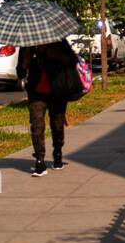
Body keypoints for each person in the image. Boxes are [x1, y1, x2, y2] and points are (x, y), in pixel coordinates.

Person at [16, 39, 81, 177]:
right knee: (36, 124)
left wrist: (53, 54)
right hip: (36, 92)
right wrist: (25, 62)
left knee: (57, 124)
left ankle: (57, 151)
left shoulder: (58, 41)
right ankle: (40, 160)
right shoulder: (27, 45)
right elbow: (20, 73)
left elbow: (73, 60)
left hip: (57, 90)